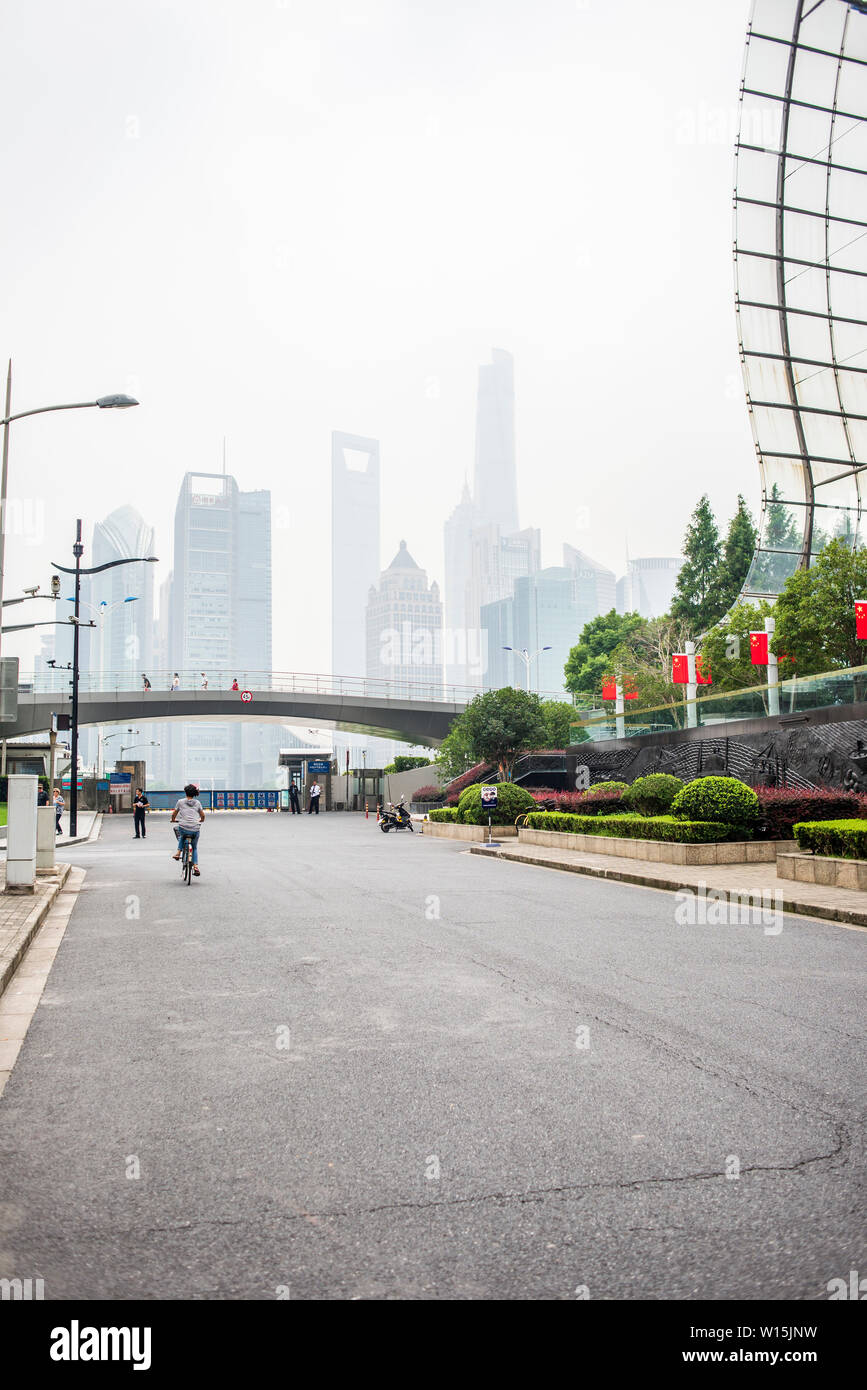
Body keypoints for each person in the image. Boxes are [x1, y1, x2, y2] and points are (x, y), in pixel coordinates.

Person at [171, 783, 205, 875]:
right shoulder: (197, 803)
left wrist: (173, 820)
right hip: (195, 828)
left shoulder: (180, 802)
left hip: (183, 826)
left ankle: (178, 853)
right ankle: (196, 867)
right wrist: (201, 820)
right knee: (194, 848)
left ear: (185, 792)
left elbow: (174, 813)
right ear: (194, 793)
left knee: (182, 835)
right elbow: (202, 815)